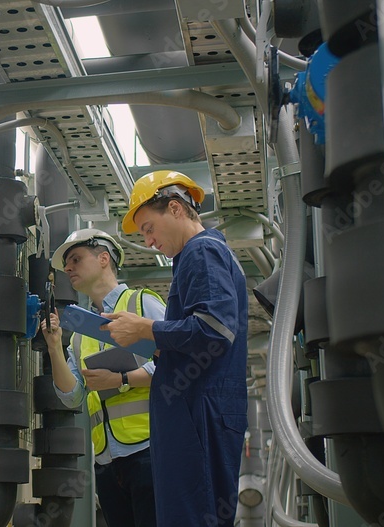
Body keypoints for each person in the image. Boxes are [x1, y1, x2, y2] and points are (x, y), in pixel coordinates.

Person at [100, 170, 249, 527]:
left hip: (198, 413)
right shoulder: (197, 256)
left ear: (176, 209)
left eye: (149, 228)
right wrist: (158, 346)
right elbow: (202, 337)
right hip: (197, 412)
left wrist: (145, 327)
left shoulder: (202, 250)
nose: (148, 242)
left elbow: (214, 329)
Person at [39, 228, 166, 527]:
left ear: (104, 259)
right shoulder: (81, 333)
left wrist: (121, 380)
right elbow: (71, 396)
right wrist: (55, 347)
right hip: (108, 463)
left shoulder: (142, 304)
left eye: (75, 259)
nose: (68, 268)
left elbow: (178, 364)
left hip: (150, 452)